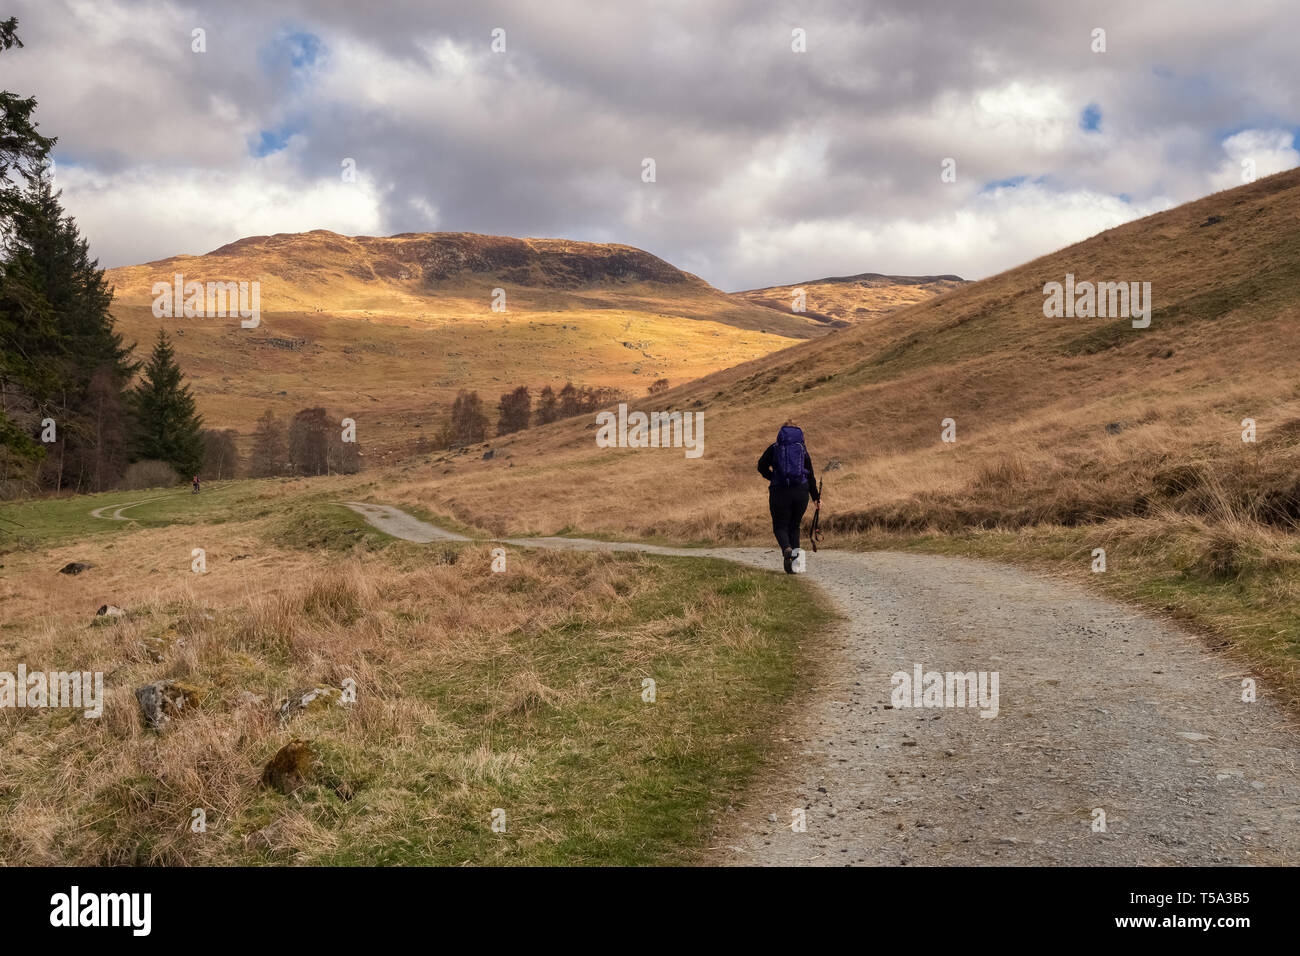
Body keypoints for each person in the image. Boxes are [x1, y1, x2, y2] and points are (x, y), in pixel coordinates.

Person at [756, 420, 820, 573]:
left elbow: (761, 465)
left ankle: (786, 548)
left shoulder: (774, 448)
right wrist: (816, 497)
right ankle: (796, 565)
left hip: (780, 491)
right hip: (801, 492)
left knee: (780, 526)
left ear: (782, 432)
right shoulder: (802, 450)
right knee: (794, 526)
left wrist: (772, 477)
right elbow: (810, 475)